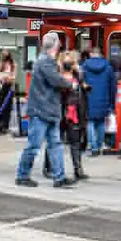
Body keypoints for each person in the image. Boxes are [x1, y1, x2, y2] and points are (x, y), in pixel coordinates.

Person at [15, 32, 75, 189]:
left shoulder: (46, 61)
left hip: (49, 110)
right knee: (34, 145)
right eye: (58, 43)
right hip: (41, 111)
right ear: (54, 45)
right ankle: (22, 175)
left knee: (55, 145)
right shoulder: (44, 62)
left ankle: (59, 177)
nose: (60, 46)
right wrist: (70, 83)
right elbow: (56, 80)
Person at [44, 51, 89, 181]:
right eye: (66, 61)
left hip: (73, 112)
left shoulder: (77, 75)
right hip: (58, 112)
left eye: (71, 61)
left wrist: (79, 72)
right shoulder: (56, 75)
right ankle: (48, 167)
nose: (68, 64)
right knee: (54, 140)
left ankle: (78, 170)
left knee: (75, 142)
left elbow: (82, 93)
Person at [81, 46, 115, 156]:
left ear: (91, 54)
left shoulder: (84, 66)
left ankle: (93, 147)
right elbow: (113, 87)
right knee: (101, 122)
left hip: (89, 98)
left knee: (90, 122)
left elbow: (81, 82)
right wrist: (112, 103)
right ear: (100, 54)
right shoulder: (108, 67)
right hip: (104, 98)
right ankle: (100, 146)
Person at [0, 50, 17, 134]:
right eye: (4, 54)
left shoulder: (13, 64)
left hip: (9, 87)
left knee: (8, 108)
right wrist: (3, 77)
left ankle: (5, 126)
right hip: (1, 86)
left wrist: (10, 78)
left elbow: (14, 75)